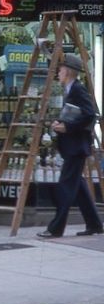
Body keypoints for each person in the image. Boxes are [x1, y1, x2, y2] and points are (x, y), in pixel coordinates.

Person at [38, 53, 104, 238]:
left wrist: (67, 127)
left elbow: (90, 114)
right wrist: (60, 123)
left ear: (67, 71)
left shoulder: (78, 89)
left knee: (65, 188)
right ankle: (94, 224)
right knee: (79, 188)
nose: (58, 73)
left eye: (59, 70)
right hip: (72, 147)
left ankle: (55, 229)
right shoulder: (70, 89)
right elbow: (73, 114)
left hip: (76, 148)